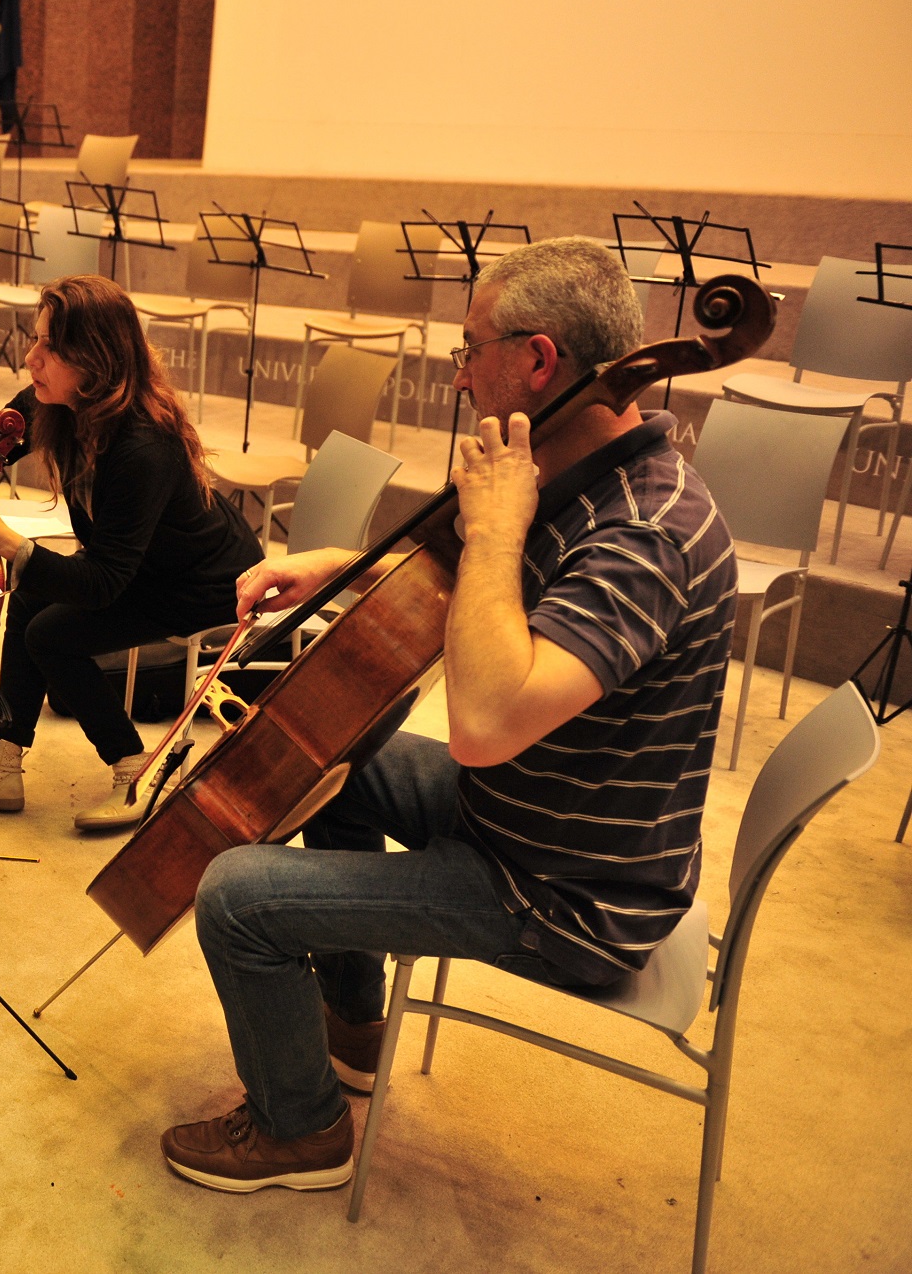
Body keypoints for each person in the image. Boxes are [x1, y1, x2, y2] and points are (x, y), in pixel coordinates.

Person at [163, 237, 736, 1195]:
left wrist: (502, 527)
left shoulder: (645, 531)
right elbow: (465, 583)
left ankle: (300, 1130)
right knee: (333, 750)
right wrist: (337, 569)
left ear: (540, 360)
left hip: (566, 894)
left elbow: (483, 722)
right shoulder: (580, 463)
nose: (461, 374)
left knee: (235, 896)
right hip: (530, 814)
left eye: (472, 350)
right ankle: (350, 1027)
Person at [0, 274, 263, 831]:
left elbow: (102, 584)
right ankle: (1, 765)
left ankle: (139, 769)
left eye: (50, 347)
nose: (31, 358)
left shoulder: (144, 446)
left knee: (51, 633)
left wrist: (6, 541)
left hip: (203, 582)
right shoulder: (53, 401)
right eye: (35, 340)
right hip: (135, 565)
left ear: (95, 359)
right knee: (32, 597)